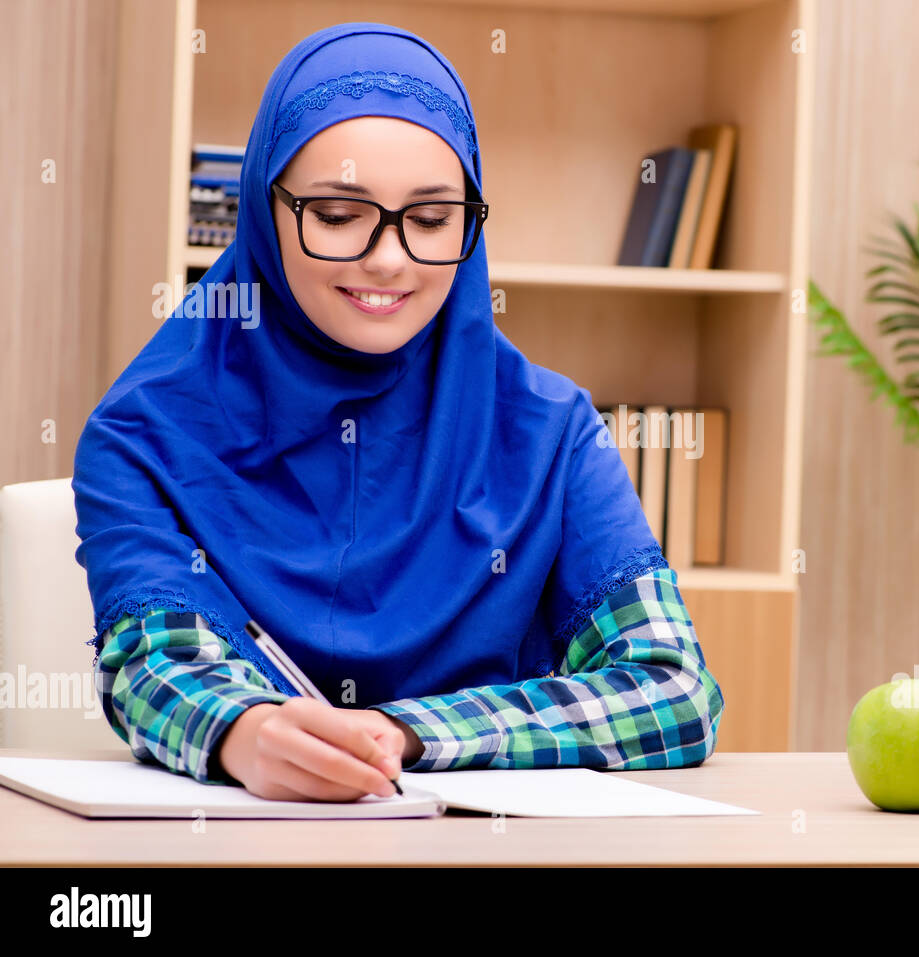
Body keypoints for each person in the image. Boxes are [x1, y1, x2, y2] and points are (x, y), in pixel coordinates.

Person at [72, 21, 723, 803]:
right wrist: (242, 733)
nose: (389, 258)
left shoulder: (552, 432)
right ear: (262, 211)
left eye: (431, 219)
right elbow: (153, 665)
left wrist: (409, 734)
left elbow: (674, 688)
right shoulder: (142, 436)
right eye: (339, 215)